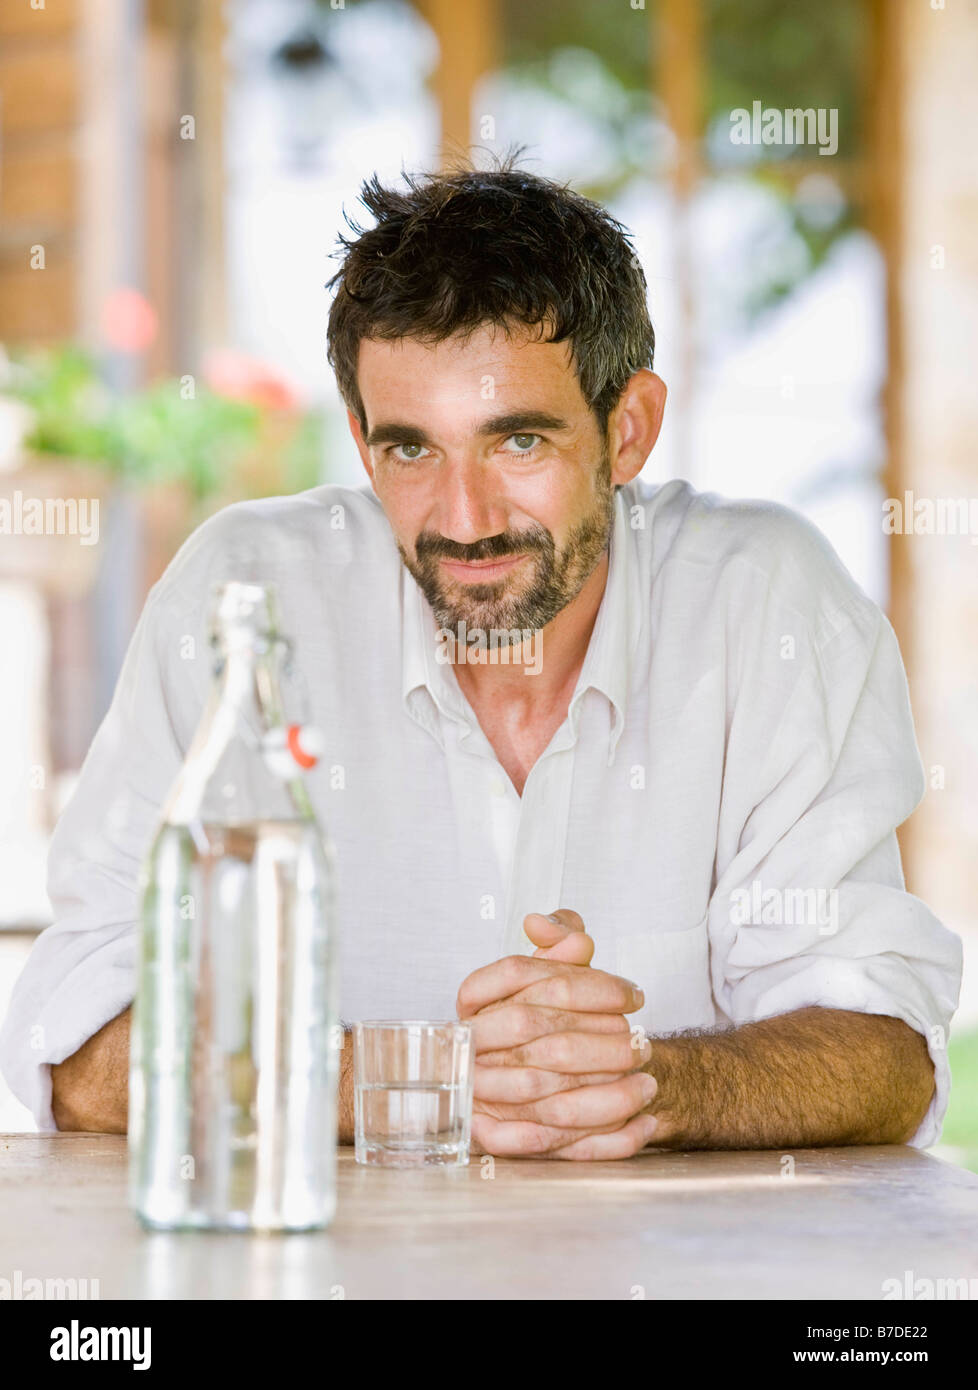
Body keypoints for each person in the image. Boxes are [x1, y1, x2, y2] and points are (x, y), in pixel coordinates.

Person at [0, 157, 961, 1159]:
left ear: (627, 430)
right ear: (366, 447)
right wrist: (418, 1082)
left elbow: (886, 1055)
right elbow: (77, 1041)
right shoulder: (243, 602)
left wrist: (652, 1083)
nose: (463, 521)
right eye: (413, 450)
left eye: (518, 445)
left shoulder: (766, 603)